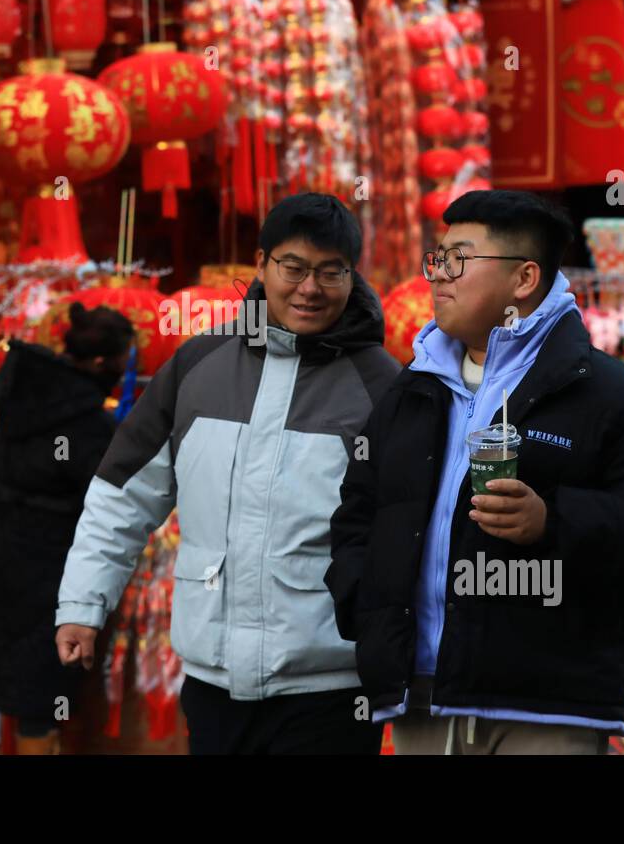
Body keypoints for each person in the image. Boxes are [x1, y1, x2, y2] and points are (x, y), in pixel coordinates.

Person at [327, 189, 624, 755]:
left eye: (459, 259)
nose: (438, 276)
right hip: (420, 696)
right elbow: (359, 510)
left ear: (523, 279)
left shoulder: (610, 397)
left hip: (547, 706)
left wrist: (552, 521)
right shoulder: (411, 391)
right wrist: (364, 605)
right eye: (438, 259)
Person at [55, 193, 400, 754]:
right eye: (293, 267)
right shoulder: (198, 366)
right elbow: (123, 495)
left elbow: (411, 529)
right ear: (261, 265)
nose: (309, 288)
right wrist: (81, 605)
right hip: (212, 682)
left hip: (331, 689)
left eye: (329, 271)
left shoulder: (382, 387)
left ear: (350, 275)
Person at [0, 302, 134, 755]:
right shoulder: (86, 425)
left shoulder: (27, 395)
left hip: (0, 547)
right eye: (124, 363)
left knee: (25, 681)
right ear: (103, 363)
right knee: (44, 688)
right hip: (47, 564)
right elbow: (108, 499)